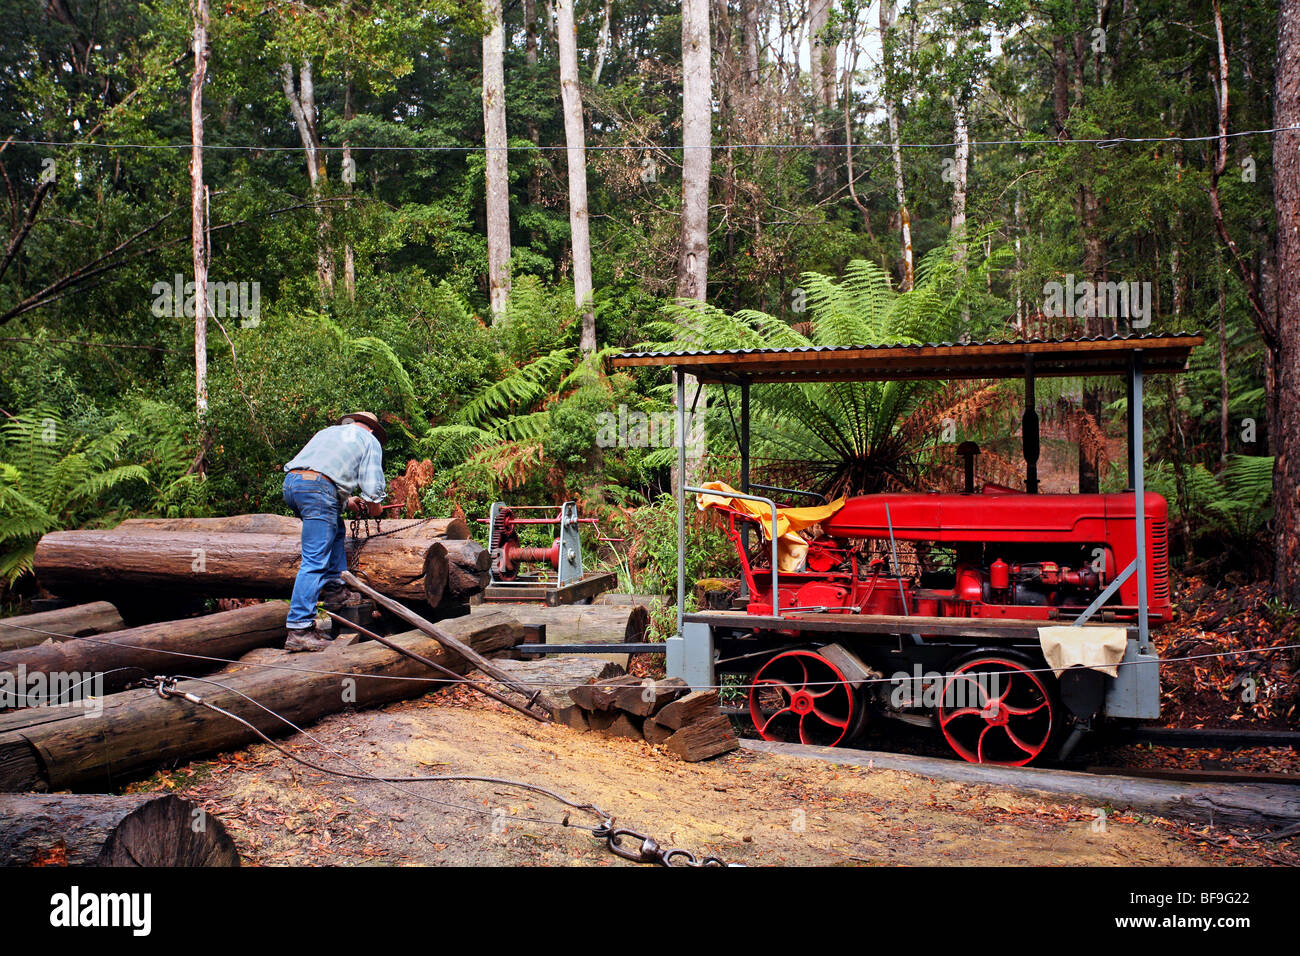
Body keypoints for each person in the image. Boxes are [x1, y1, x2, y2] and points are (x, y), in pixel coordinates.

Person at [281, 411, 388, 651]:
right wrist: (375, 506)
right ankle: (299, 628)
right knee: (314, 560)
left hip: (292, 484)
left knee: (336, 529)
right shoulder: (368, 439)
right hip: (318, 489)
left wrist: (348, 502)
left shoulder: (327, 432)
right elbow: (371, 488)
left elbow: (321, 481)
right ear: (371, 429)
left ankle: (335, 591)